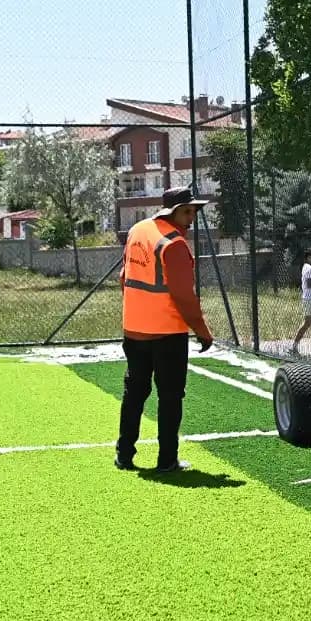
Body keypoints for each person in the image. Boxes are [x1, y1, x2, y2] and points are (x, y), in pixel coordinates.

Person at [117, 186, 216, 474]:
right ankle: (167, 461)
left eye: (194, 211)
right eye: (187, 211)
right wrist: (203, 331)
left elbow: (124, 277)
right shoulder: (173, 245)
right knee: (170, 396)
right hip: (166, 334)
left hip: (134, 330)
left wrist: (138, 310)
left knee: (134, 392)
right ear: (172, 212)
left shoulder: (138, 231)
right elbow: (184, 296)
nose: (192, 217)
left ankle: (124, 454)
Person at [290, 247, 311, 355]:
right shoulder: (309, 268)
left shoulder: (306, 267)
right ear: (308, 257)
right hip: (310, 299)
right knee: (308, 323)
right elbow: (310, 284)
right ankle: (294, 346)